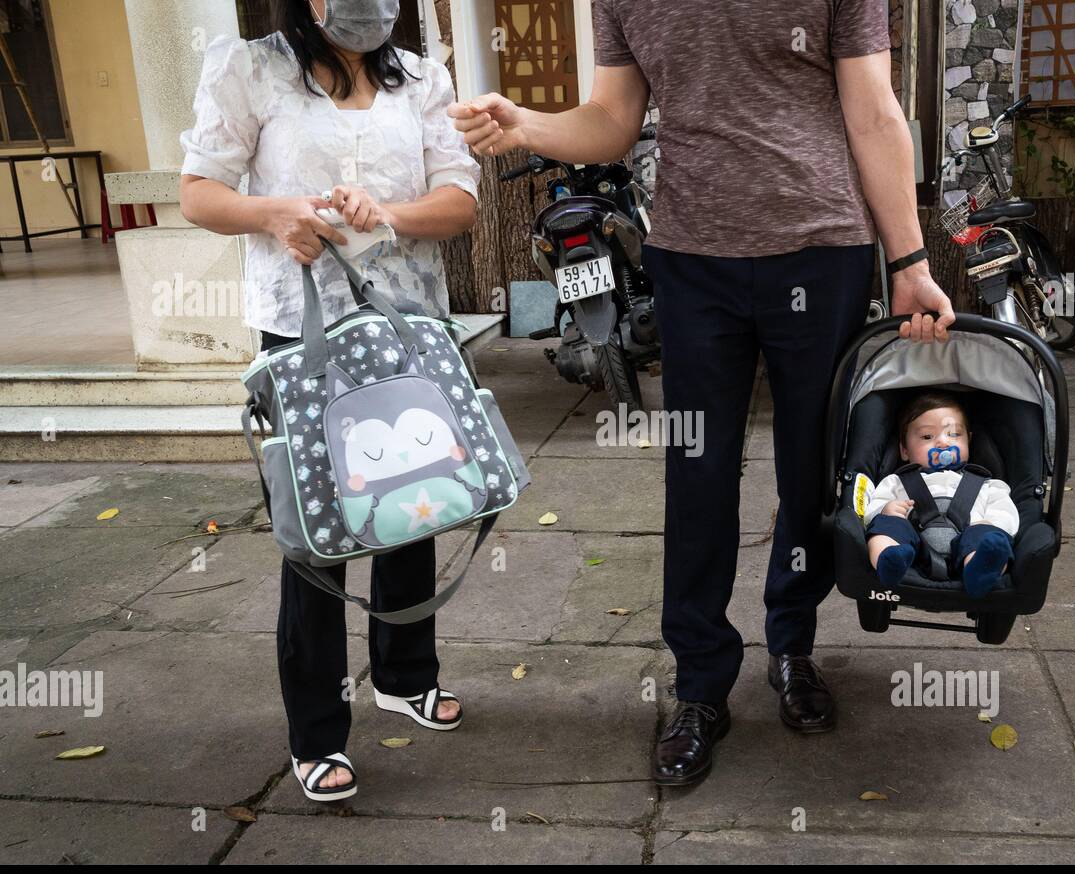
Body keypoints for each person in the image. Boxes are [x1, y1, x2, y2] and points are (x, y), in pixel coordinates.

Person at [449, 0, 955, 785]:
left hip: (820, 251)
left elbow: (872, 108)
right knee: (698, 475)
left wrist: (909, 261)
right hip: (692, 261)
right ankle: (700, 685)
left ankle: (792, 646)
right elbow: (613, 120)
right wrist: (526, 125)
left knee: (810, 471)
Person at [178, 0, 479, 802]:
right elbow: (199, 193)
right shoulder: (252, 70)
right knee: (315, 530)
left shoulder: (420, 78)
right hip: (301, 332)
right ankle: (316, 728)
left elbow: (460, 200)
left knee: (415, 497)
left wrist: (390, 214)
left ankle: (405, 673)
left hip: (406, 325)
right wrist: (273, 212)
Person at [862, 393, 1018, 598]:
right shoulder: (896, 481)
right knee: (886, 526)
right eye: (927, 437)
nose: (943, 443)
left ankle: (980, 569)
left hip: (968, 543)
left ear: (969, 440)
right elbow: (872, 506)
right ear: (904, 450)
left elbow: (1006, 512)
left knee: (990, 538)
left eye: (953, 434)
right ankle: (888, 560)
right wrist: (886, 509)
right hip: (913, 549)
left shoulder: (987, 485)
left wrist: (992, 523)